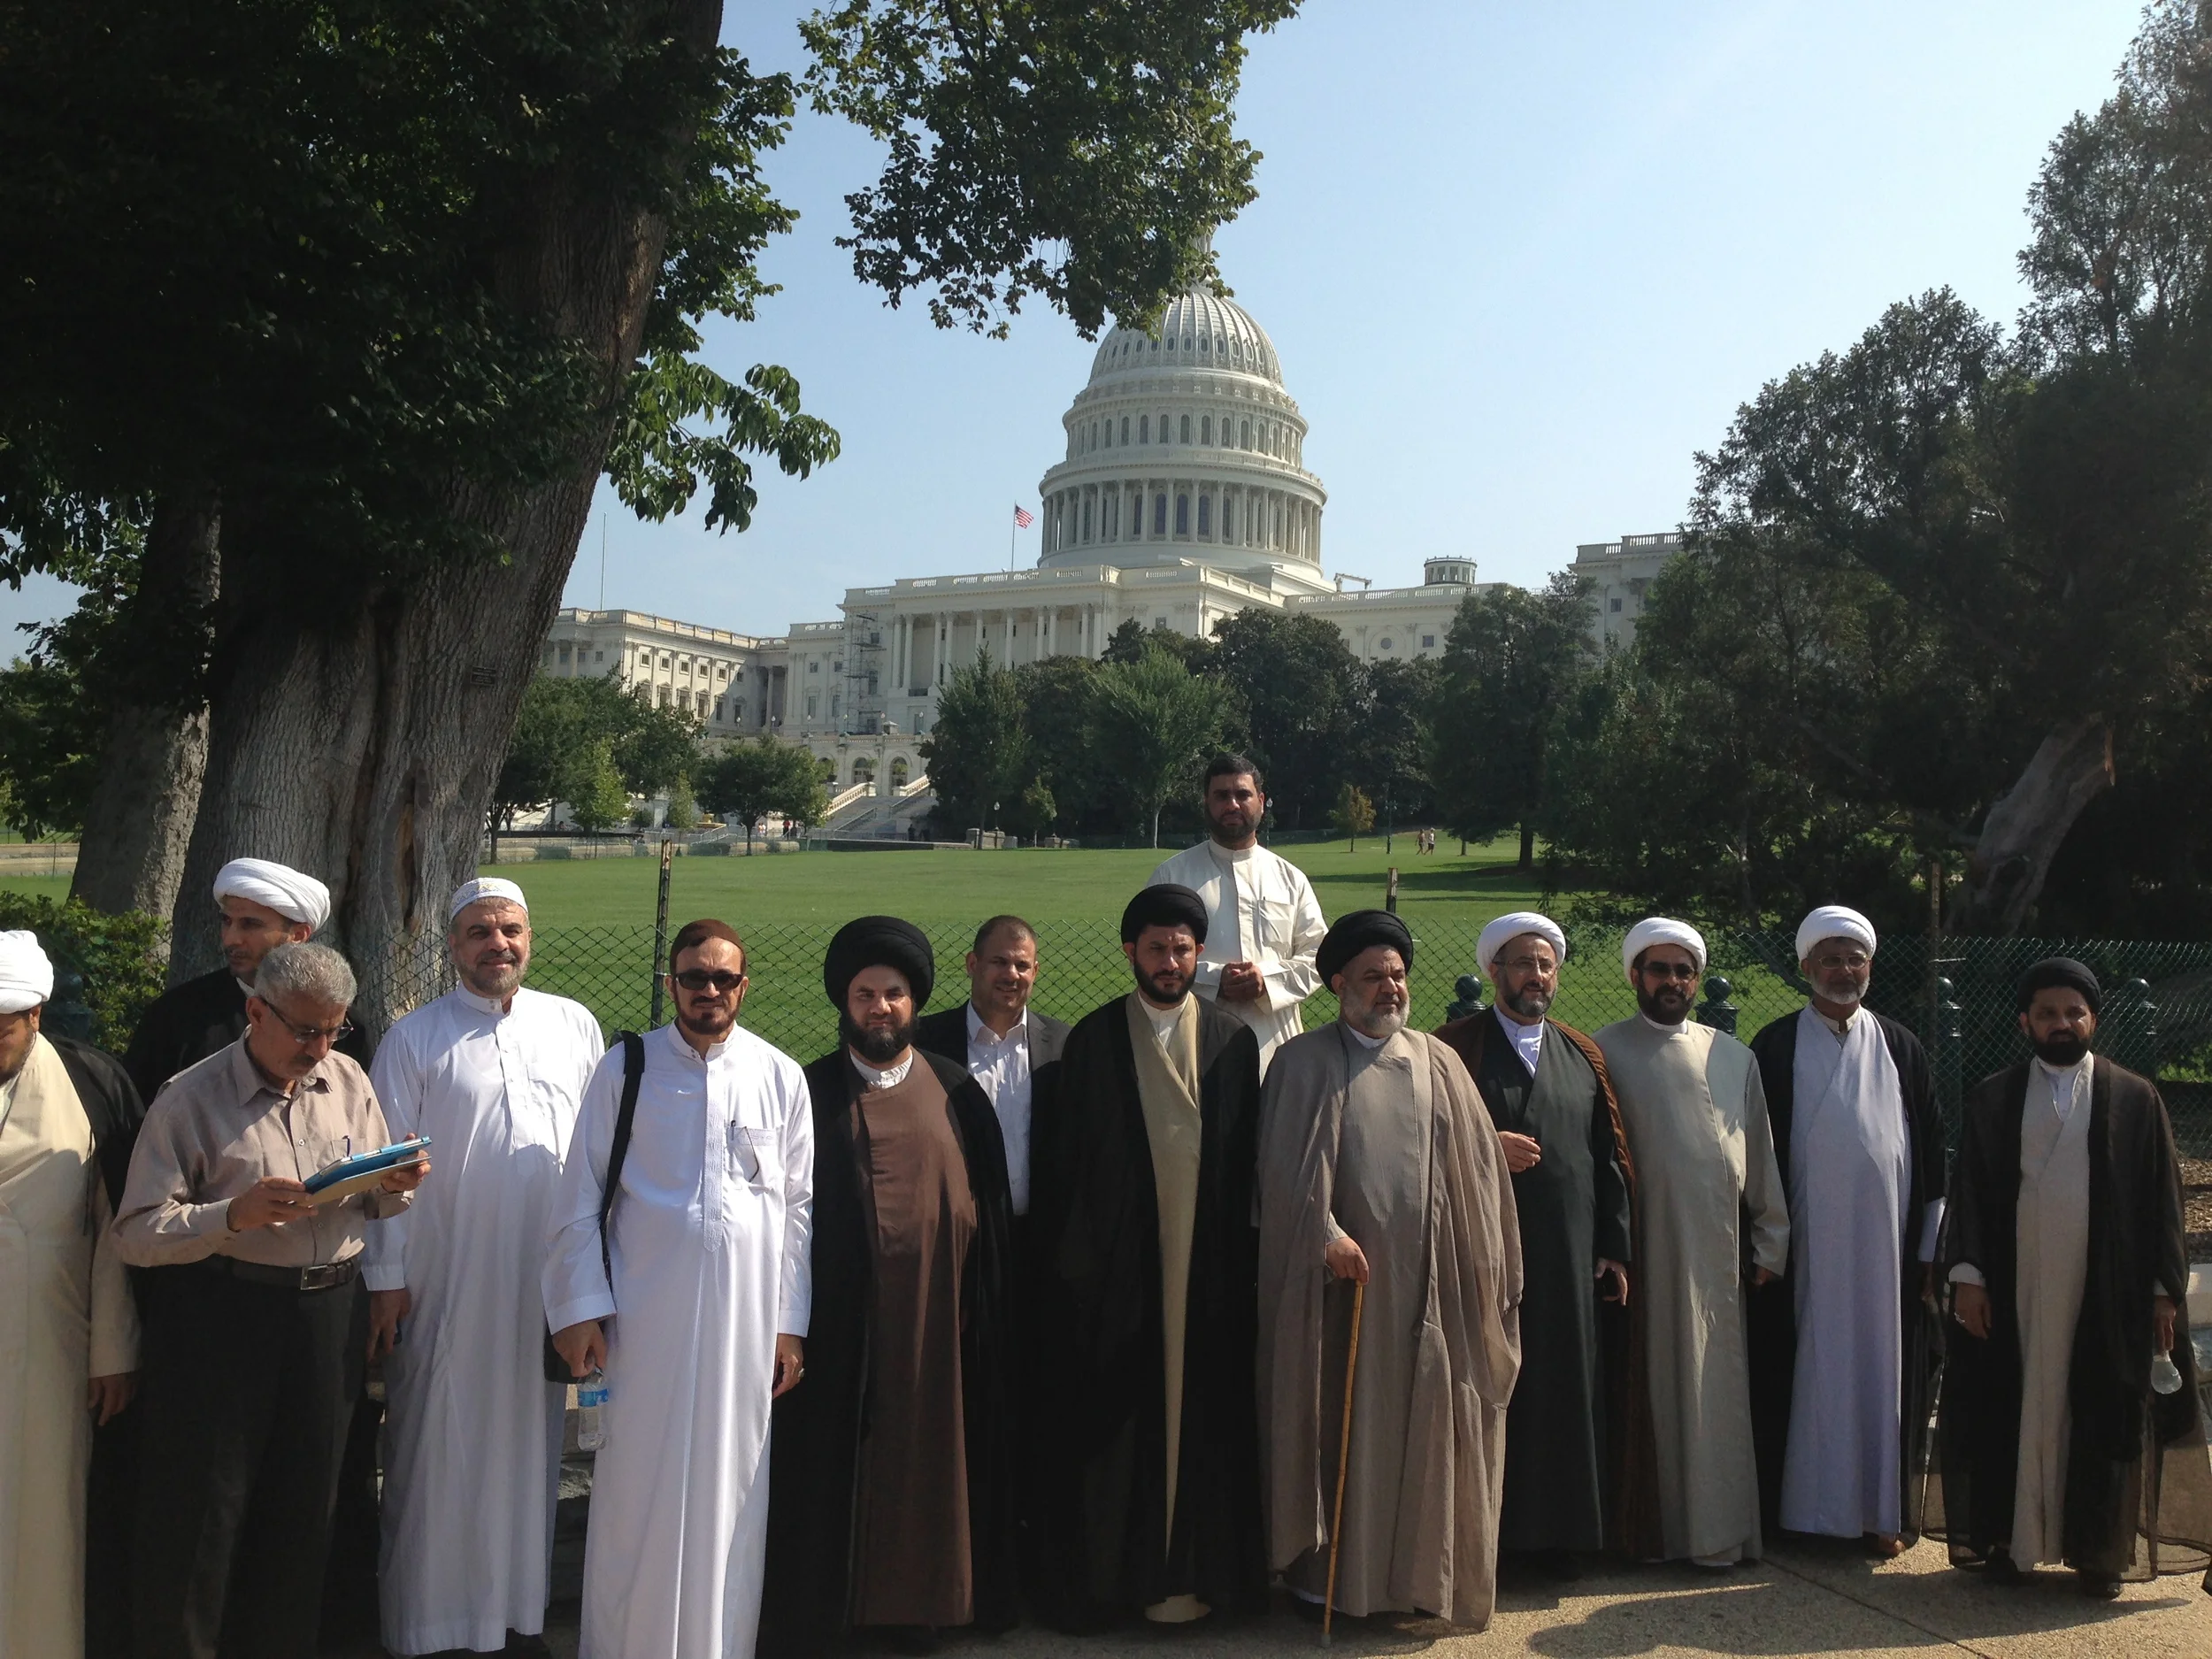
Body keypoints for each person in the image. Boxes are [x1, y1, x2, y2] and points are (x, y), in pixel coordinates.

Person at [112, 941, 428, 1659]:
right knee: (205, 1518)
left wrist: (395, 1183)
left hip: (327, 1320)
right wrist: (231, 1216)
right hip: (225, 1319)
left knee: (304, 1514)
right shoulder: (189, 1097)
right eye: (304, 1030)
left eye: (333, 1030)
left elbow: (373, 1203)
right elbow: (135, 1232)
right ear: (255, 1010)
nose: (319, 1049)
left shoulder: (348, 1077)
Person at [544, 918, 811, 1658]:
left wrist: (789, 1324)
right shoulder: (626, 1070)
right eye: (695, 977)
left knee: (734, 1488)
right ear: (672, 985)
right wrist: (581, 1308)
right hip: (642, 1320)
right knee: (636, 1489)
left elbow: (797, 1211)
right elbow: (579, 1196)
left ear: (744, 986)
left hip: (745, 1329)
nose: (709, 992)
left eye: (724, 978)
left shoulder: (779, 1075)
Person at [759, 918, 1018, 1655]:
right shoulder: (806, 1093)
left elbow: (989, 1218)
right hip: (839, 1334)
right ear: (844, 1000)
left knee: (935, 1458)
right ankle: (838, 1607)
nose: (880, 1008)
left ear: (915, 1001)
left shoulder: (959, 1090)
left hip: (941, 1330)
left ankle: (924, 1604)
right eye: (866, 993)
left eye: (894, 994)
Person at [1258, 911, 1522, 1630]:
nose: (1389, 988)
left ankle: (1414, 1579)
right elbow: (1283, 1175)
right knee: (1346, 1428)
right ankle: (1332, 1582)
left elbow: (1474, 1168)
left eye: (1398, 974)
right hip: (1343, 1295)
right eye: (1373, 975)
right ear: (1338, 981)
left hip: (1433, 1294)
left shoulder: (1439, 1058)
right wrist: (1326, 1235)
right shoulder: (1303, 1062)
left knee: (1428, 1430)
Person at [367, 878, 605, 1656]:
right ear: (452, 945)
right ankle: (430, 1627)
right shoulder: (414, 1038)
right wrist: (388, 1280)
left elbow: (599, 1157)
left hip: (545, 1285)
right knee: (436, 1448)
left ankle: (514, 1619)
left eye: (509, 928)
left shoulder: (573, 1025)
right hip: (446, 1283)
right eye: (478, 931)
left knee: (528, 1453)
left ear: (529, 936)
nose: (496, 944)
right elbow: (382, 1175)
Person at [1936, 956, 2212, 1597]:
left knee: (2104, 1410)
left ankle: (2098, 1552)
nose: (2061, 1023)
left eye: (2073, 1012)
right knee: (2011, 1402)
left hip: (2107, 1291)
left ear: (2093, 1018)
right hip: (2015, 1285)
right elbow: (1971, 1189)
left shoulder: (2135, 1098)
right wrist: (1969, 1276)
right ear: (2025, 1022)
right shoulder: (1995, 1095)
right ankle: (2012, 1540)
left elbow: (2162, 1201)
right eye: (2047, 1013)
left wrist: (2163, 1292)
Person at [1031, 885, 1266, 1629]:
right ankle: (1115, 1585)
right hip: (1119, 1285)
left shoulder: (1233, 1040)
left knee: (1208, 1425)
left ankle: (1203, 1583)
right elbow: (1068, 1173)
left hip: (1210, 1279)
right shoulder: (1094, 1042)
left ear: (1200, 955)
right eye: (1157, 948)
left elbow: (1247, 1168)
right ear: (1130, 951)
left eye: (1184, 948)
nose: (1171, 961)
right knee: (1117, 1437)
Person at [1436, 910, 1640, 1578]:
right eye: (1522, 962)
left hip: (1567, 1255)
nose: (1535, 975)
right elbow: (1420, 1137)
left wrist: (1613, 1244)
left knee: (1564, 1392)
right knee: (1494, 1386)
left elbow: (1607, 1153)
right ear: (1495, 969)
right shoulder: (1452, 1049)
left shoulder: (1583, 1052)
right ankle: (1489, 1539)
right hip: (1482, 1252)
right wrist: (1483, 1145)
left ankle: (1560, 1539)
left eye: (1546, 963)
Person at [1745, 906, 1944, 1556]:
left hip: (1886, 1263)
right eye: (1830, 957)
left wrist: (1927, 1254)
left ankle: (1877, 1514)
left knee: (1882, 1375)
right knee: (1804, 1374)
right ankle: (1802, 1516)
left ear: (1870, 966)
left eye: (1854, 957)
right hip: (1801, 1259)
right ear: (1806, 966)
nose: (1843, 969)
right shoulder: (1773, 1047)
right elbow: (1752, 1155)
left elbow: (1933, 1156)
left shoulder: (1902, 1047)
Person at [1594, 918, 1787, 1570]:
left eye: (1683, 971)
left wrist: (1771, 1240)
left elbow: (1757, 1156)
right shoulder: (1603, 1052)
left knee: (1716, 1388)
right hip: (1645, 1255)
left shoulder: (1734, 1057)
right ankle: (1653, 1534)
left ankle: (1718, 1535)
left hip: (1718, 1255)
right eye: (1659, 969)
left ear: (1697, 980)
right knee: (1652, 1390)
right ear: (1635, 975)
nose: (1672, 981)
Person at [0, 932, 141, 1658]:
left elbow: (118, 1229)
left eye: (5, 1022)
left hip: (55, 1338)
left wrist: (112, 1351)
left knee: (45, 1507)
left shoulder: (93, 1082)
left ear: (37, 1014)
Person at [120, 858, 369, 1104]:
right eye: (226, 921)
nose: (231, 939)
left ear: (298, 935)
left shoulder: (340, 1027)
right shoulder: (175, 1018)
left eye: (250, 925)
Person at [1148, 755, 1328, 1070]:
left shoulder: (1289, 879)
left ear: (1260, 801)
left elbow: (1320, 955)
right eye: (1221, 796)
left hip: (1276, 1050)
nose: (1232, 804)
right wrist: (1216, 980)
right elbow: (1148, 954)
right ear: (1206, 801)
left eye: (1242, 795)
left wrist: (1266, 981)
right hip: (1190, 1046)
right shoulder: (1171, 877)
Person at [914, 914, 1071, 1231]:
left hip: (1041, 1235)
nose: (1011, 975)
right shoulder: (924, 1045)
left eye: (1022, 966)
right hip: (959, 1232)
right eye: (999, 962)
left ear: (1036, 972)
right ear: (972, 964)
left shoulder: (1063, 1046)